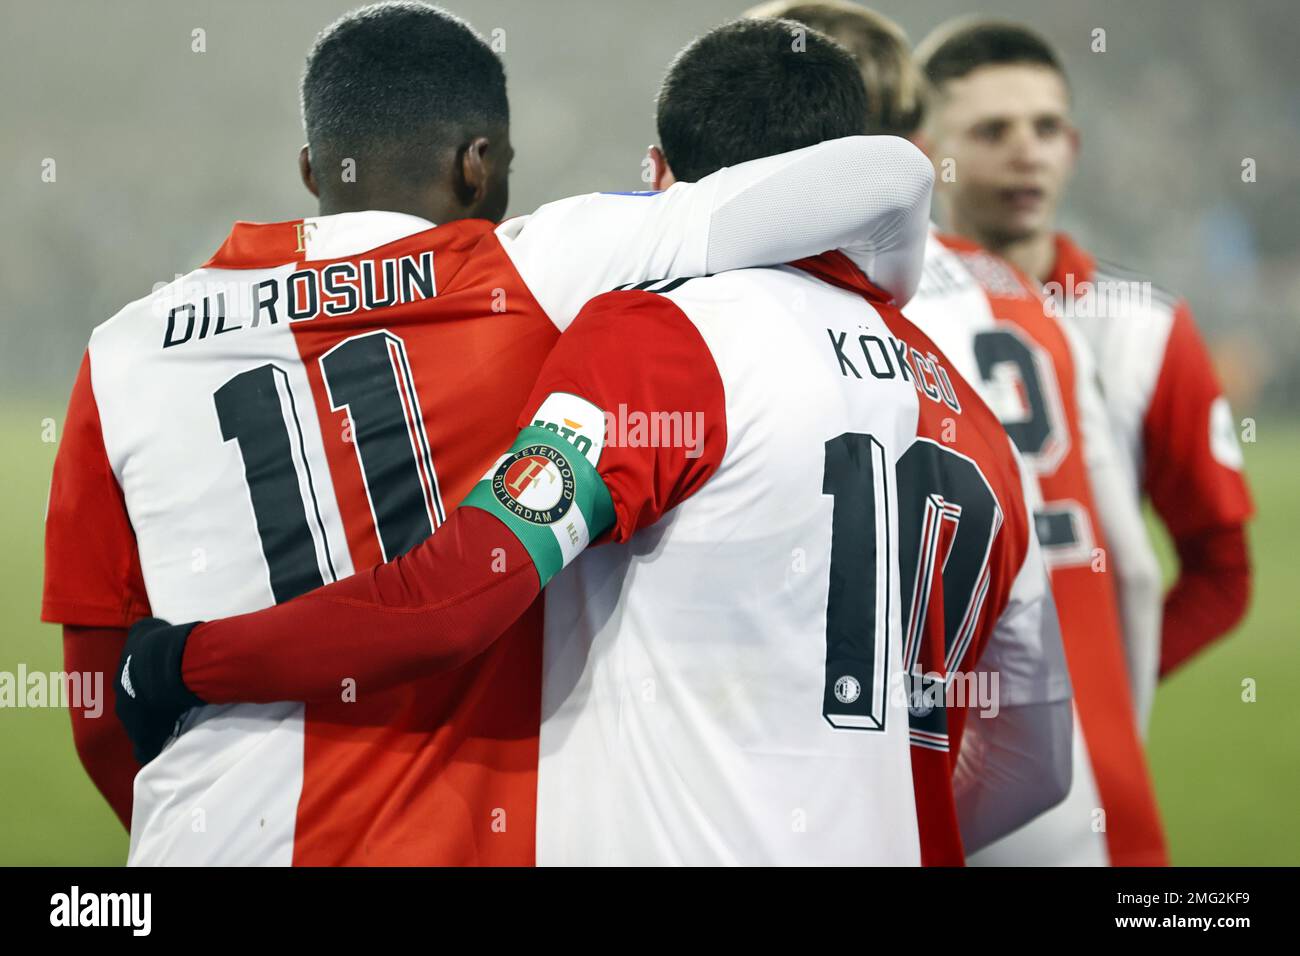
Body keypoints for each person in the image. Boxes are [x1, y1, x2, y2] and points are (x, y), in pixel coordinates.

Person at [116, 17, 1072, 866]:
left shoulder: (668, 340)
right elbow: (1036, 767)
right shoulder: (971, 415)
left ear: (657, 177)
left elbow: (456, 593)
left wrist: (184, 660)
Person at [756, 1, 1167, 866]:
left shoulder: (776, 301)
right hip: (1033, 755)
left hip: (851, 756)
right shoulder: (1012, 292)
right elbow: (1131, 568)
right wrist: (1113, 742)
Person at [914, 18, 1254, 698]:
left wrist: (1095, 688)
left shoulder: (1144, 327)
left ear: (1073, 147)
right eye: (991, 131)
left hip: (1081, 773)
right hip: (918, 737)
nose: (1027, 153)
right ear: (926, 153)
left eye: (1046, 130)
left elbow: (1223, 572)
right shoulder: (884, 317)